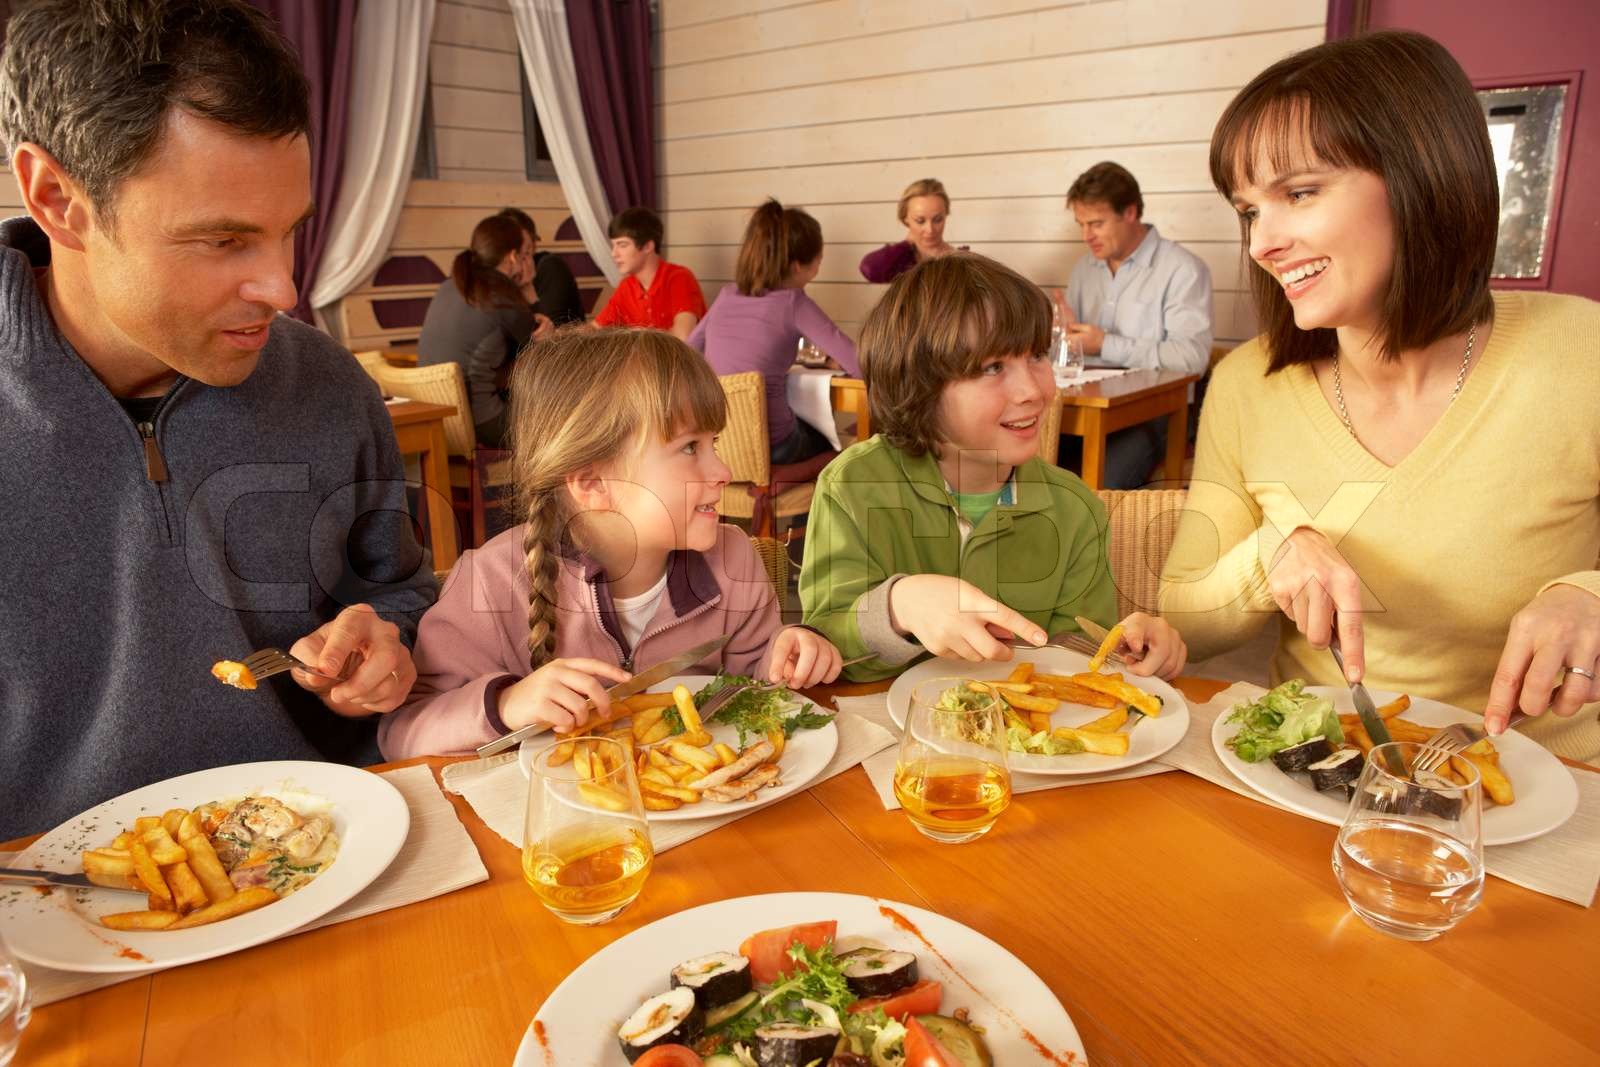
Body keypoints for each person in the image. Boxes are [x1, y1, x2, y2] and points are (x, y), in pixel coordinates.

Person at [0, 0, 437, 840]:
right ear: (58, 199)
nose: (283, 289)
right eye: (223, 240)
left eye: (289, 232)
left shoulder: (329, 385)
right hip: (47, 905)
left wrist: (386, 640)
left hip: (342, 849)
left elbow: (400, 589)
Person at [1158, 31, 1600, 760]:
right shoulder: (1246, 384)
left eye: (1299, 193)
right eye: (1249, 211)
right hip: (1321, 770)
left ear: (1425, 178)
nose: (1262, 244)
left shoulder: (1582, 352)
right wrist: (1274, 551)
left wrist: (1589, 595)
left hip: (1556, 782)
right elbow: (1184, 619)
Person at [380, 329, 846, 756]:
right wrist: (505, 704)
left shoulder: (734, 559)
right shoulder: (490, 581)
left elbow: (754, 684)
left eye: (714, 443)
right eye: (690, 447)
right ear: (593, 484)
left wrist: (787, 654)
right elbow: (402, 733)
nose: (724, 471)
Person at [800, 253, 1187, 683]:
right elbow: (827, 640)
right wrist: (898, 606)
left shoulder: (1075, 509)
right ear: (920, 387)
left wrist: (1129, 647)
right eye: (993, 367)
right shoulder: (853, 485)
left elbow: (1079, 659)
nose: (1032, 390)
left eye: (1037, 355)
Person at [1058, 161, 1214, 489]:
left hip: (1158, 413)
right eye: (1081, 224)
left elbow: (1191, 360)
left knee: (1093, 486)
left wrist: (1105, 343)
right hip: (1088, 408)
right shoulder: (1084, 269)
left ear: (1130, 212)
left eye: (1096, 223)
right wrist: (1061, 338)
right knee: (1025, 466)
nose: (1086, 236)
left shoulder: (1182, 269)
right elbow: (1071, 352)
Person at [687, 199, 860, 465]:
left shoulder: (726, 295)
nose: (820, 266)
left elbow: (689, 350)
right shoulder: (794, 302)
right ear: (798, 266)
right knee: (834, 444)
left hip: (721, 441)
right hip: (774, 444)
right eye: (819, 259)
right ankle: (783, 479)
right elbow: (860, 362)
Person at [417, 214, 551, 447]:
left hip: (439, 419)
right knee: (568, 420)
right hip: (483, 422)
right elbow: (542, 359)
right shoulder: (503, 298)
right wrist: (530, 291)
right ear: (513, 256)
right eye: (526, 254)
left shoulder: (450, 286)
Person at [593, 206, 706, 340]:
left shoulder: (679, 278)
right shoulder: (626, 286)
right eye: (613, 245)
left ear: (648, 246)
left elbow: (683, 337)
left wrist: (633, 339)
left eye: (622, 245)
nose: (614, 254)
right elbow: (594, 329)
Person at [858, 178, 965, 284]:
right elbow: (869, 269)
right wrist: (906, 244)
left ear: (946, 214)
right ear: (905, 218)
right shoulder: (900, 260)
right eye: (920, 221)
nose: (930, 229)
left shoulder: (960, 261)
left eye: (937, 220)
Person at [497, 206, 585, 326]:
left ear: (533, 244)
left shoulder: (551, 267)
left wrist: (528, 289)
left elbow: (548, 327)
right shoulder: (501, 274)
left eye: (524, 248)